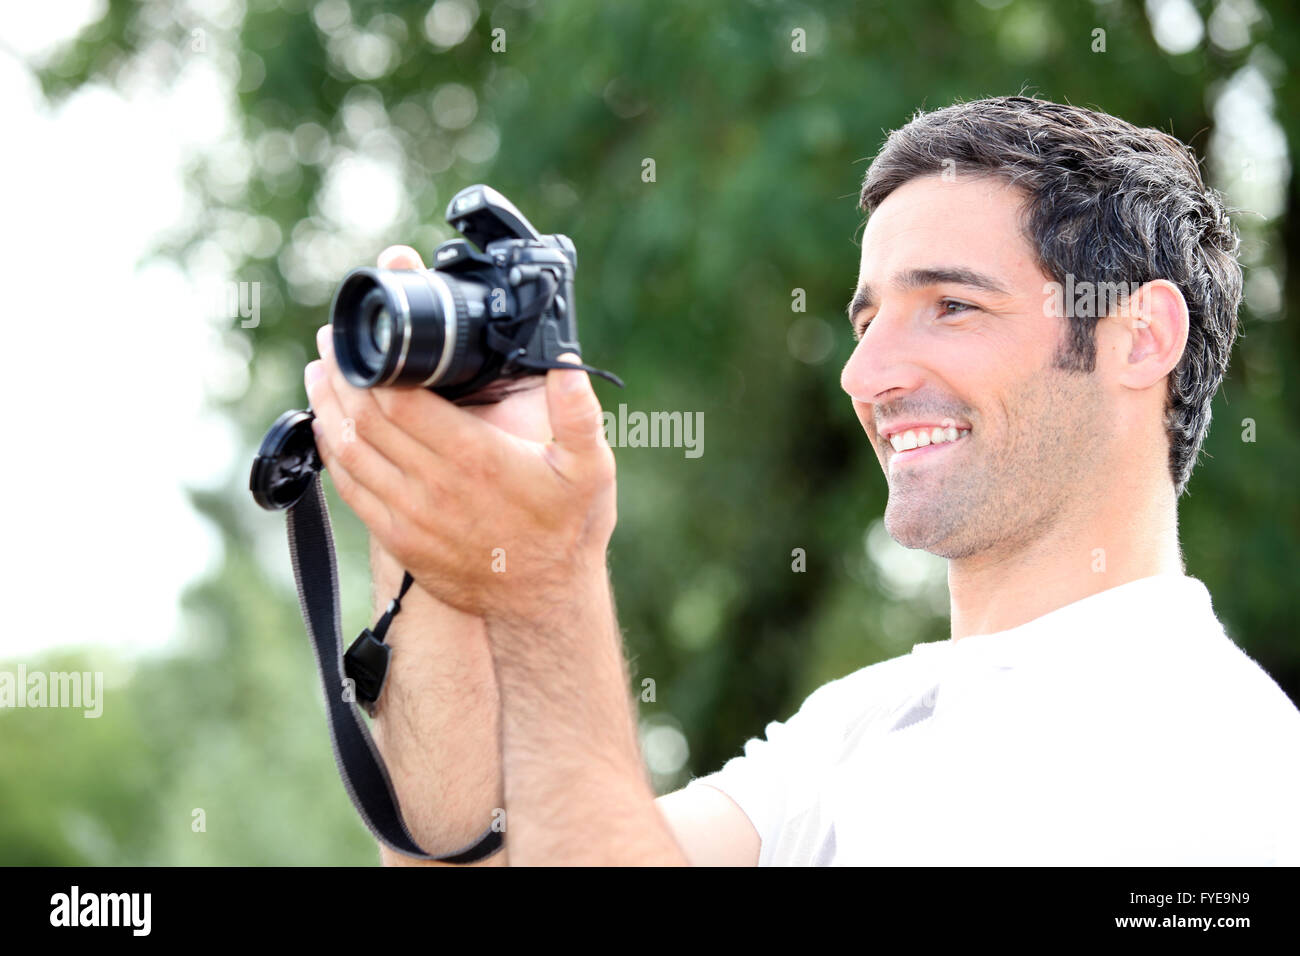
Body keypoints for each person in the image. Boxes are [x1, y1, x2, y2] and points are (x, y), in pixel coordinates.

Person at [302, 95, 1300, 866]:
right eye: (867, 322)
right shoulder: (861, 721)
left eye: (950, 305)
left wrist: (552, 587)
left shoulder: (1221, 761)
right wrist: (434, 541)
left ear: (1140, 338)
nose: (866, 374)